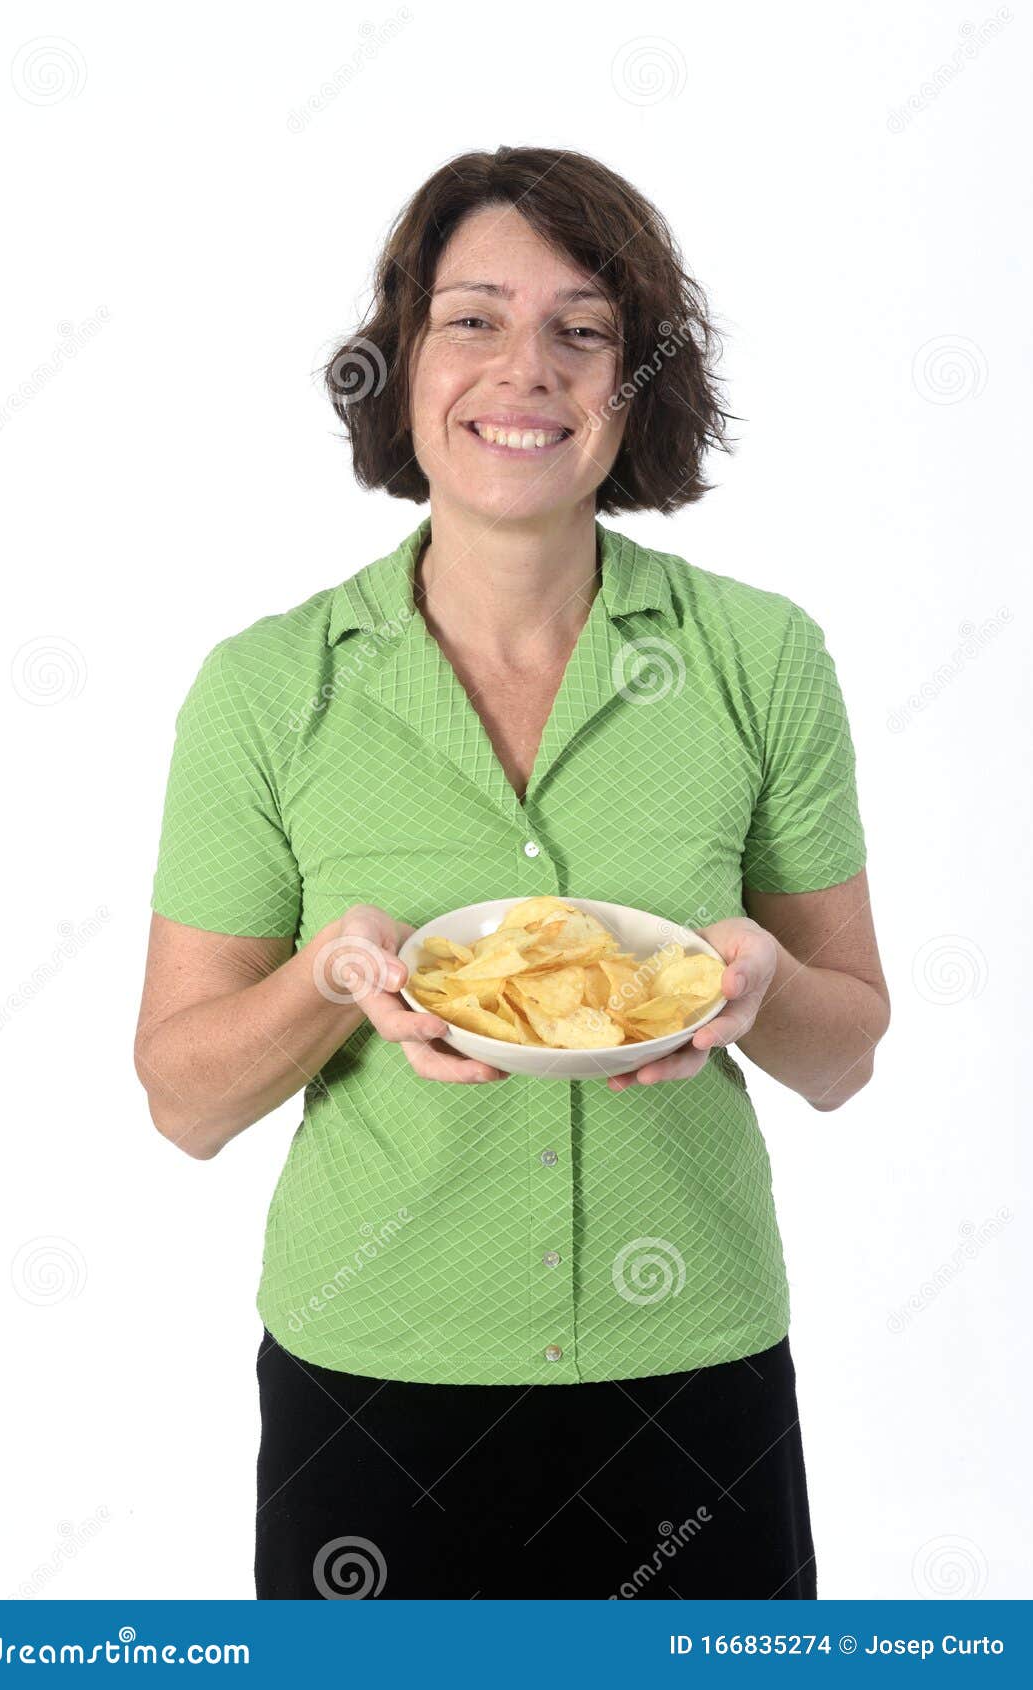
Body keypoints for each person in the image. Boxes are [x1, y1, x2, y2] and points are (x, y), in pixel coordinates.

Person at [134, 146, 890, 1600]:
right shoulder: (268, 686)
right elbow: (184, 1096)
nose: (523, 369)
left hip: (693, 1382)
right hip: (372, 1393)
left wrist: (763, 981)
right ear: (401, 362)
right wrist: (332, 974)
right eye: (472, 318)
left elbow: (848, 1052)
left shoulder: (761, 658)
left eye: (583, 329)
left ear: (636, 379)